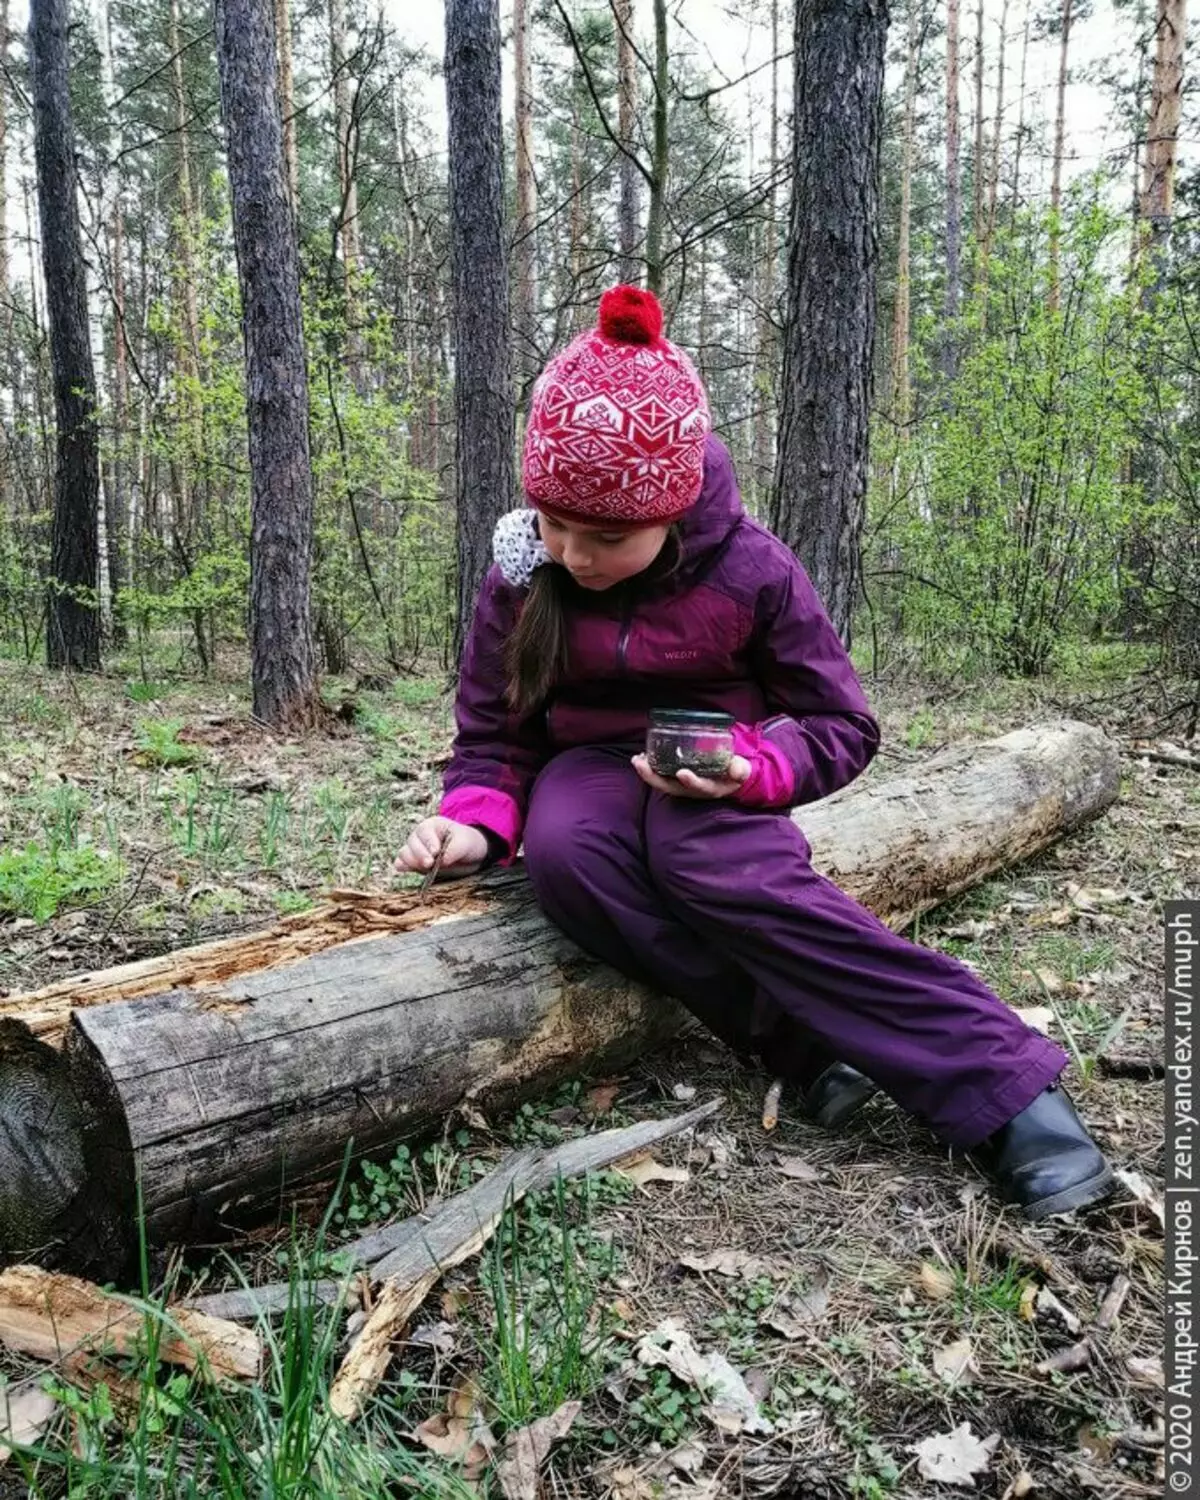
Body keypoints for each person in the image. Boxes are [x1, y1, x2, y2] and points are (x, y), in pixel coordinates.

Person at [395, 284, 1114, 1223]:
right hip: (589, 772)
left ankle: (1008, 1091)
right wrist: (473, 826)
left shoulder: (751, 569)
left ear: (672, 504)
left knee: (707, 858)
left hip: (723, 776)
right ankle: (804, 1047)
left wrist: (752, 766)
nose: (572, 553)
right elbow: (495, 735)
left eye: (605, 535)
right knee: (568, 855)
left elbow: (841, 725)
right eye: (554, 523)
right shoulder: (522, 575)